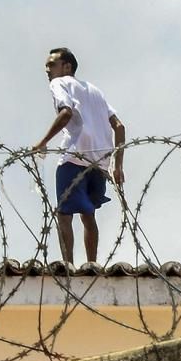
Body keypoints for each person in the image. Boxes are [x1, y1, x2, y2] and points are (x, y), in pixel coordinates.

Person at [33, 48, 125, 265]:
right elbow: (119, 126)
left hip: (73, 157)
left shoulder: (59, 83)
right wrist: (117, 165)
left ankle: (69, 267)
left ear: (67, 67)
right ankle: (92, 265)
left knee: (64, 215)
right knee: (88, 216)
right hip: (99, 163)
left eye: (52, 64)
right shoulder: (94, 90)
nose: (47, 70)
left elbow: (65, 113)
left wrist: (42, 142)